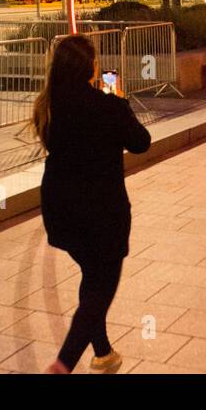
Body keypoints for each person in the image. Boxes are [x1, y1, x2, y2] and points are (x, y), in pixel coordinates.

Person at [36, 34, 151, 374]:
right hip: (102, 211)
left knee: (92, 275)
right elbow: (141, 142)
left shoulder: (49, 104)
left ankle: (103, 353)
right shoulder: (106, 104)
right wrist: (120, 100)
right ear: (90, 66)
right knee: (101, 288)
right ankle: (63, 363)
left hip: (60, 209)